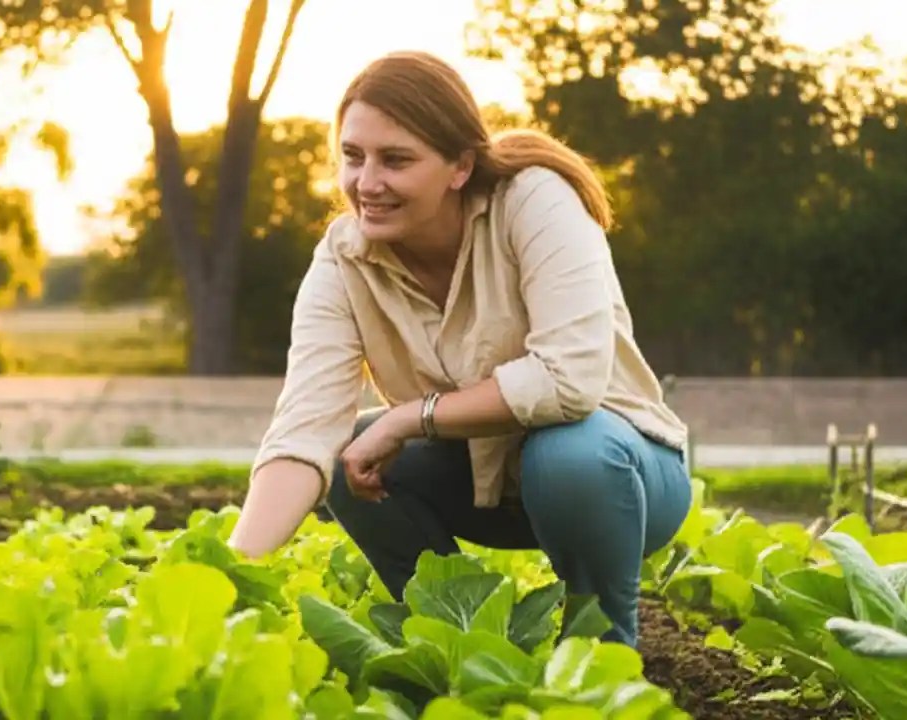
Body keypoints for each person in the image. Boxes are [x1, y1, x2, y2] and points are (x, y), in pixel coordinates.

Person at [227, 50, 693, 647]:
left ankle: (601, 655)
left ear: (459, 167)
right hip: (484, 484)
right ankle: (460, 640)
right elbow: (302, 433)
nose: (366, 183)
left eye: (395, 160)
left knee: (569, 451)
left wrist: (407, 418)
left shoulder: (534, 200)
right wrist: (231, 571)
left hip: (620, 478)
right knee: (350, 459)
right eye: (352, 156)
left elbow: (568, 380)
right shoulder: (343, 260)